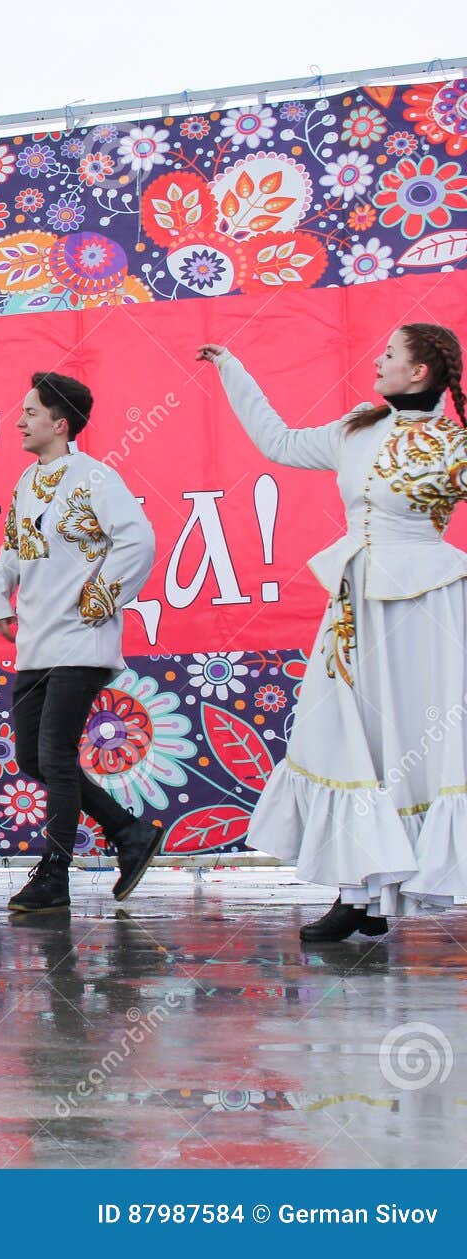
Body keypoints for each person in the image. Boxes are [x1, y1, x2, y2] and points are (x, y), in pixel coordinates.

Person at [199, 325, 467, 941]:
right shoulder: (358, 430)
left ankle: (378, 899)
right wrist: (232, 369)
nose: (379, 360)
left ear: (420, 372)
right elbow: (280, 442)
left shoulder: (455, 445)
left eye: (391, 354)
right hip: (355, 605)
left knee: (408, 742)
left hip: (424, 610)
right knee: (345, 733)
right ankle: (358, 892)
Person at [0, 371, 160, 914]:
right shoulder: (25, 482)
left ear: (59, 425)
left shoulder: (93, 478)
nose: (20, 421)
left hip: (81, 641)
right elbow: (15, 552)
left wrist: (101, 597)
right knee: (34, 759)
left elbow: (139, 538)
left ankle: (54, 874)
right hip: (37, 643)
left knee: (56, 755)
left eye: (31, 413)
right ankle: (129, 832)